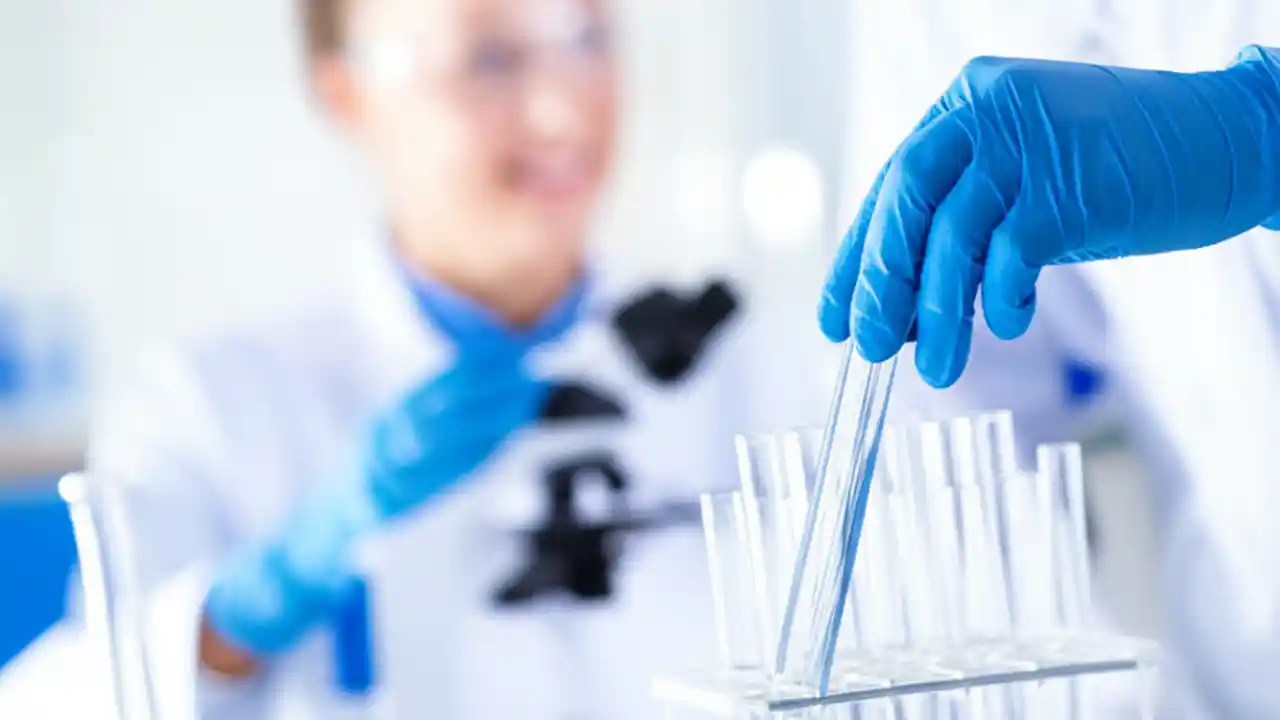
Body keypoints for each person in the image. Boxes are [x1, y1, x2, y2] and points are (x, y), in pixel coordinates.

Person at [87, 0, 808, 717]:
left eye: (587, 39)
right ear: (347, 92)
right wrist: (249, 608)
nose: (561, 110)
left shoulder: (763, 366)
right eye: (487, 60)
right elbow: (89, 689)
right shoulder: (209, 403)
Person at [820, 32, 1280, 717]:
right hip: (1242, 639)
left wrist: (1262, 125)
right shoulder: (913, 25)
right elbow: (965, 421)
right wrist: (1071, 691)